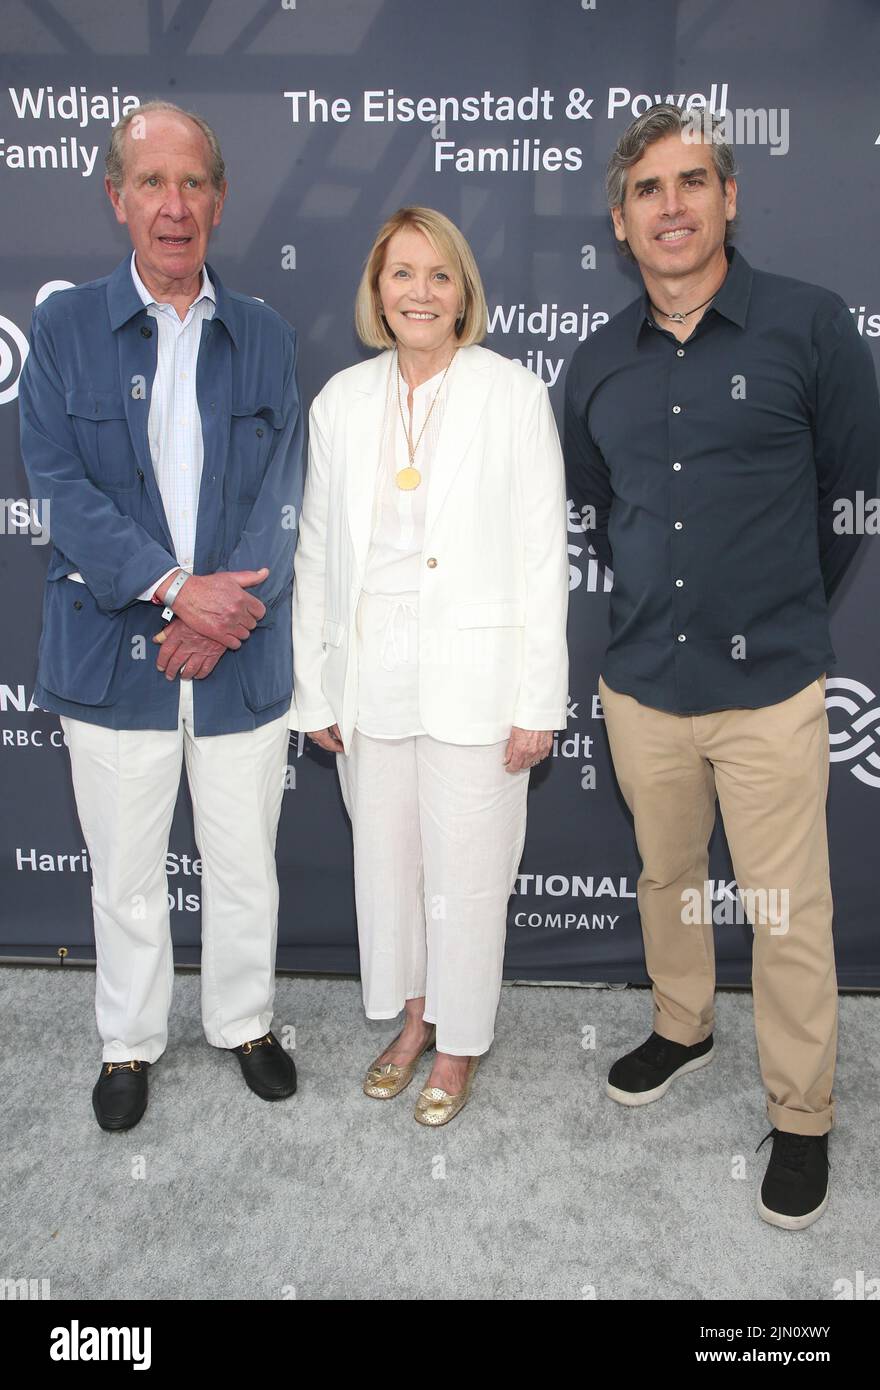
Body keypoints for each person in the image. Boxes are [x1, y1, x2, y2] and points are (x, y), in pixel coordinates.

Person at [564, 104, 879, 1228]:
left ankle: (801, 1114)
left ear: (729, 197)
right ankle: (682, 1024)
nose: (672, 206)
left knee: (786, 910)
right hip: (643, 681)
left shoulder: (809, 325)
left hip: (770, 688)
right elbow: (602, 511)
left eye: (691, 182)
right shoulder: (595, 362)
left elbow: (847, 501)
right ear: (620, 218)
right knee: (666, 877)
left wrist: (773, 599)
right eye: (647, 190)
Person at [19, 101, 303, 1131]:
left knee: (242, 862)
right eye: (151, 183)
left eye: (192, 184)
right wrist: (177, 591)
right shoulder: (60, 328)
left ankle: (244, 1021)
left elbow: (285, 488)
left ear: (219, 201)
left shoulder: (265, 334)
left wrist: (222, 613)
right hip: (111, 649)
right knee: (128, 872)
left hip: (240, 652)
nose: (173, 206)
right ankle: (128, 1041)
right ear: (116, 198)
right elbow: (59, 485)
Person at [290, 206, 569, 1125]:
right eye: (402, 272)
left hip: (478, 680)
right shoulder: (341, 401)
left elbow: (541, 559)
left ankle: (457, 1043)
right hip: (374, 673)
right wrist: (316, 686)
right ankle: (413, 1016)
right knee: (392, 868)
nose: (420, 291)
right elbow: (318, 554)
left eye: (439, 274)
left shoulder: (513, 394)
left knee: (468, 873)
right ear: (378, 289)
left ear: (464, 294)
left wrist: (537, 698)